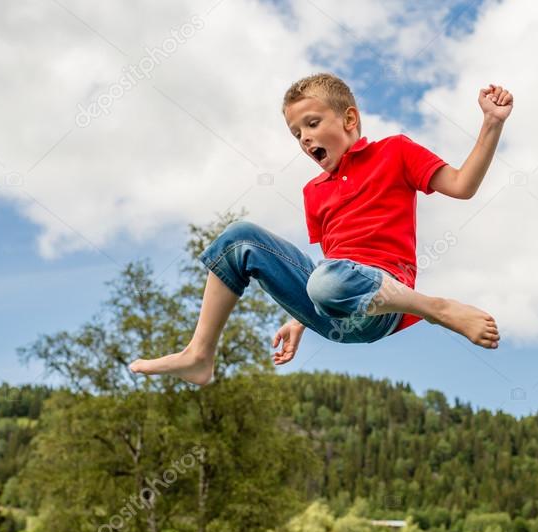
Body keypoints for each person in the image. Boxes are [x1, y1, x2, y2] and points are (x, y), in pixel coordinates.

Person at [129, 72, 512, 384]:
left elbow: (463, 186)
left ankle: (437, 308)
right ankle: (199, 354)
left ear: (349, 120)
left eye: (312, 123)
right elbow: (330, 268)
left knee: (329, 280)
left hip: (383, 305)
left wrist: (491, 124)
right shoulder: (314, 192)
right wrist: (299, 320)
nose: (305, 137)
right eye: (297, 133)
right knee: (238, 239)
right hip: (334, 307)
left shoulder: (394, 152)